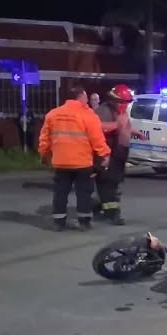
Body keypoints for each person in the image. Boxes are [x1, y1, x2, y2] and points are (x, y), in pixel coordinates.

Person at [37, 86, 111, 231]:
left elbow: (44, 139)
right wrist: (104, 155)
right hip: (82, 162)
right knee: (84, 192)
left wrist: (44, 155)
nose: (87, 100)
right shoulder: (88, 115)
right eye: (86, 96)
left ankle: (58, 222)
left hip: (61, 161)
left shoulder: (53, 114)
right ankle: (84, 222)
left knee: (60, 192)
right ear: (81, 97)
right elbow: (97, 139)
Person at [94, 83, 134, 225]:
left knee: (113, 183)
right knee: (108, 184)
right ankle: (112, 214)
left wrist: (135, 132)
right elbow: (96, 127)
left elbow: (125, 127)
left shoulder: (120, 112)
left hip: (119, 152)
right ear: (115, 100)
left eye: (128, 102)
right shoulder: (104, 111)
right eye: (124, 102)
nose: (126, 105)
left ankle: (99, 207)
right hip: (107, 152)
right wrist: (117, 126)